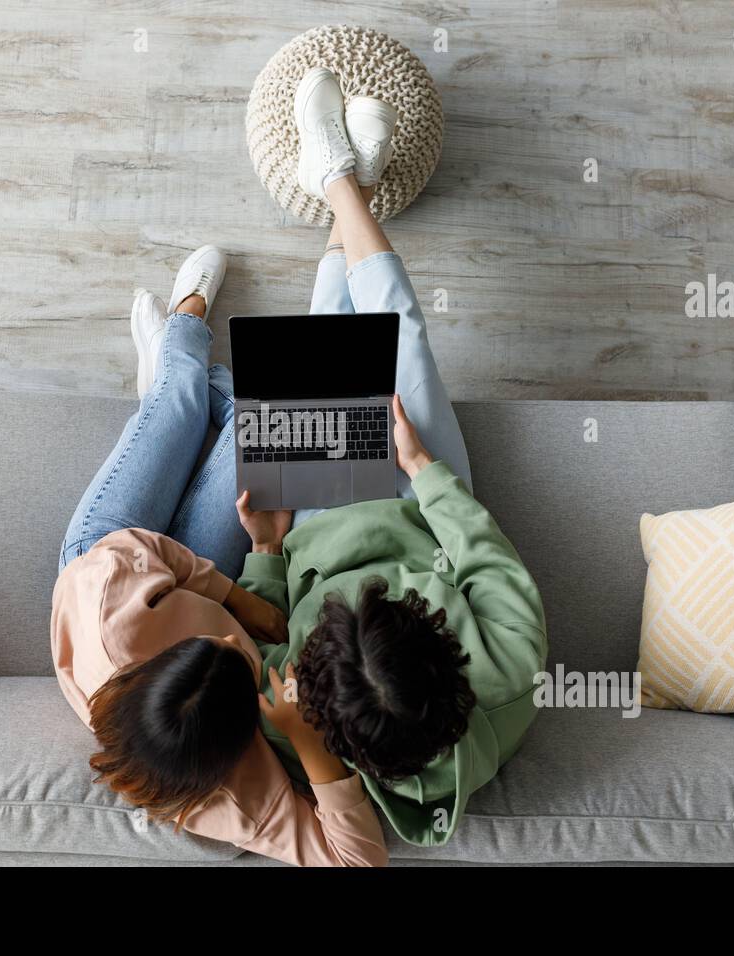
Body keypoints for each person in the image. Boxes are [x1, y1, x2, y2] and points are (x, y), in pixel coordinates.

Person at [231, 67, 548, 848]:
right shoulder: (509, 670)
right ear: (449, 660)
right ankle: (340, 178)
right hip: (423, 508)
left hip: (316, 526)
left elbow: (267, 637)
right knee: (400, 330)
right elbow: (487, 558)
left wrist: (266, 552)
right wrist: (423, 472)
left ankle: (345, 183)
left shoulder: (301, 719)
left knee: (321, 342)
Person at [51, 240, 388, 867]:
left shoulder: (108, 619)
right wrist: (308, 743)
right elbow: (358, 862)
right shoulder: (236, 796)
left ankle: (185, 323)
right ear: (236, 744)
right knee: (284, 407)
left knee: (178, 399)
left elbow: (139, 550)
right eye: (243, 658)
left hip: (112, 551)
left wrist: (236, 599)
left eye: (218, 642)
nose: (239, 641)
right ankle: (213, 397)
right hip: (184, 583)